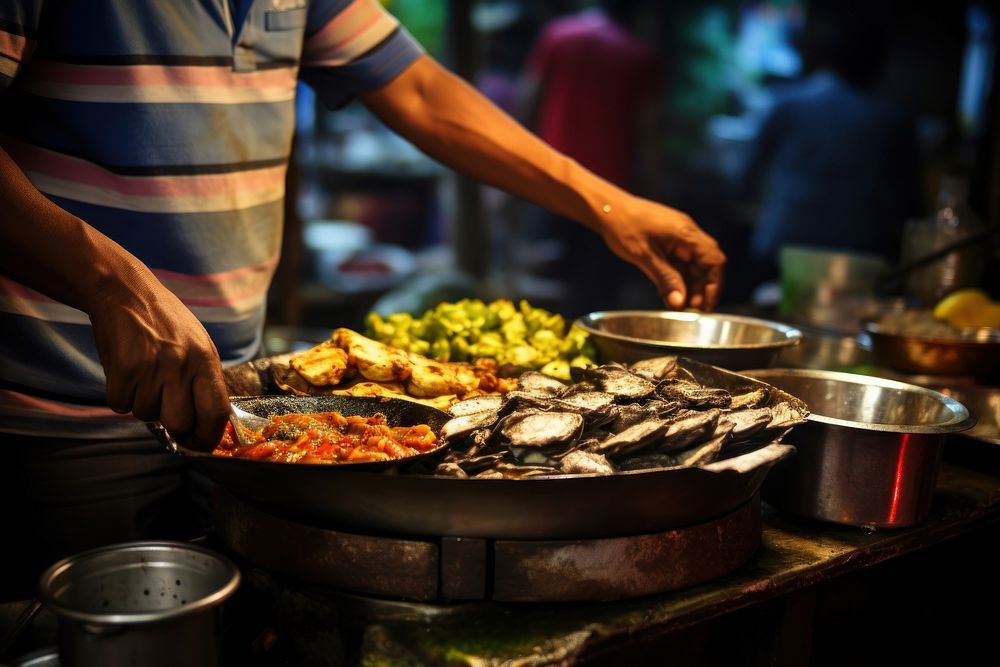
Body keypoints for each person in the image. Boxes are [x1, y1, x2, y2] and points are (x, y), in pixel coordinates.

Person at [0, 0, 724, 596]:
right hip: (62, 420)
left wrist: (606, 205)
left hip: (240, 419)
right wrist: (107, 281)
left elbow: (417, 90)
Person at [738, 0, 921, 291]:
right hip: (856, 255)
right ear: (878, 64)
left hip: (784, 241)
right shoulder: (893, 119)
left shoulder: (788, 102)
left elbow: (747, 174)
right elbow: (910, 199)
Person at [514, 0, 667, 317]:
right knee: (594, 290)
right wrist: (653, 196)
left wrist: (514, 164)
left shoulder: (559, 35)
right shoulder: (639, 54)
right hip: (609, 193)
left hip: (550, 181)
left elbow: (528, 103)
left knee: (544, 280)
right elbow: (648, 134)